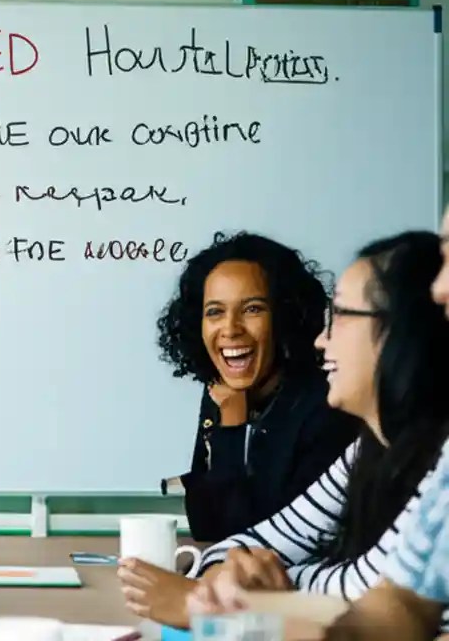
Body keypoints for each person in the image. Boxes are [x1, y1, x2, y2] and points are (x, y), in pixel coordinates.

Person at [181, 230, 449, 636]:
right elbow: (224, 539)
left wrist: (259, 589)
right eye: (214, 311)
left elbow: (372, 593)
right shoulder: (366, 448)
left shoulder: (326, 410)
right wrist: (235, 575)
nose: (322, 341)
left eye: (340, 316)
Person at [120, 232, 360, 625]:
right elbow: (208, 527)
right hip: (240, 600)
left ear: (284, 317)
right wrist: (228, 419)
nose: (230, 329)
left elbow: (259, 545)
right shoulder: (226, 391)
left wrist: (231, 428)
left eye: (251, 309)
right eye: (214, 312)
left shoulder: (326, 405)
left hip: (290, 609)